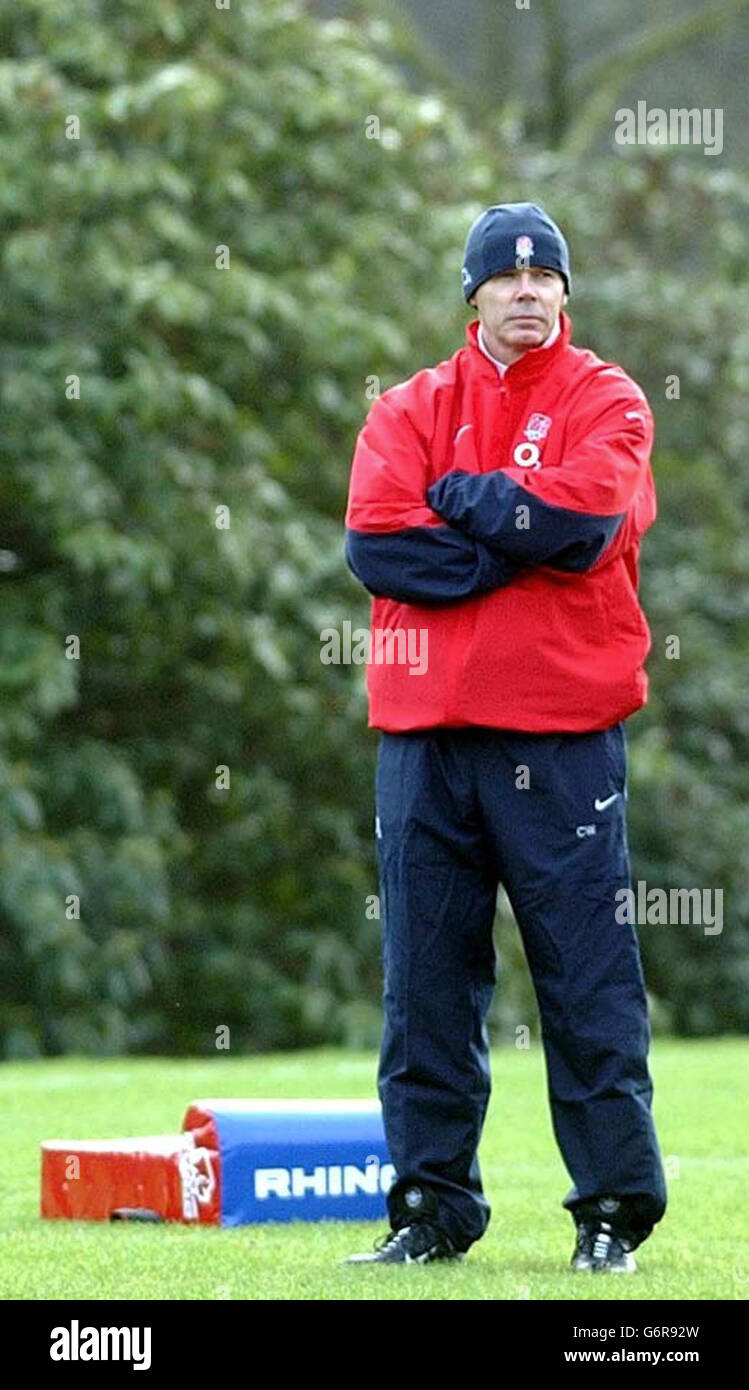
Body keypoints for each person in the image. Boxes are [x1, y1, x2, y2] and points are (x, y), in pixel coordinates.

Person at [341, 202, 668, 1272]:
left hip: (563, 739)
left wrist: (470, 501)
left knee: (585, 978)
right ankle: (430, 1210)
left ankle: (611, 1214)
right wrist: (511, 544)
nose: (527, 292)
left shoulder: (606, 397)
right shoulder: (405, 408)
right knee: (423, 985)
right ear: (472, 293)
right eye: (506, 278)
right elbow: (381, 550)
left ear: (564, 293)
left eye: (546, 278)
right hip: (423, 741)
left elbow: (583, 522)